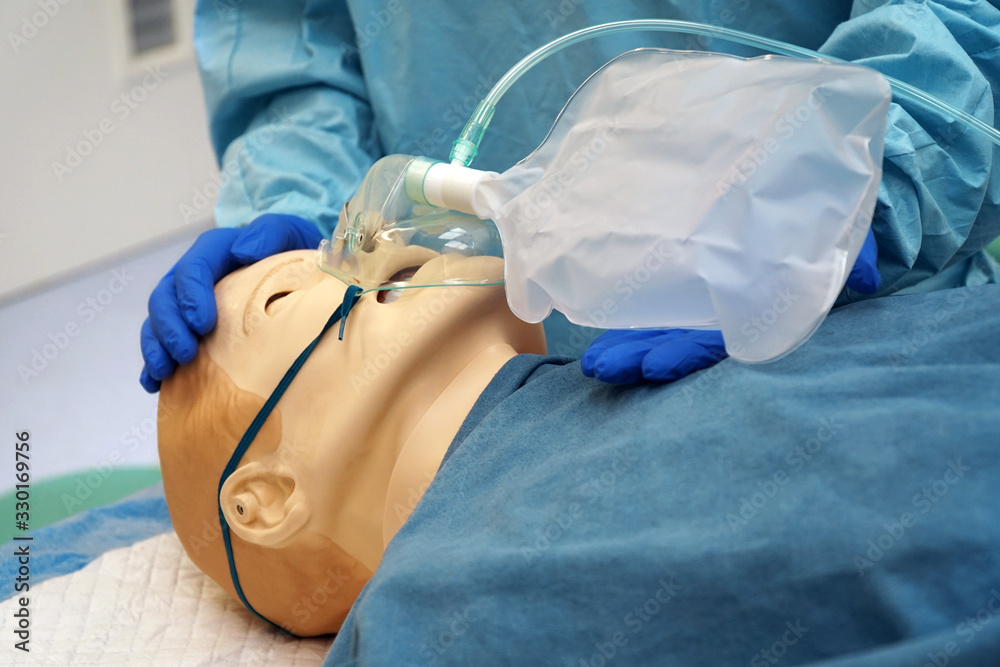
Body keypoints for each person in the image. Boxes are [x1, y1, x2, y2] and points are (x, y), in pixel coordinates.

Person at [158, 246, 1000, 664]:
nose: (369, 243)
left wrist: (845, 189)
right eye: (286, 292)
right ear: (263, 500)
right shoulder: (425, 619)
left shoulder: (687, 341)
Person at [141, 0, 1000, 391]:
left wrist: (847, 192)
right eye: (278, 306)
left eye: (279, 301)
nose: (307, 317)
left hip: (835, 337)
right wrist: (297, 208)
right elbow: (299, 44)